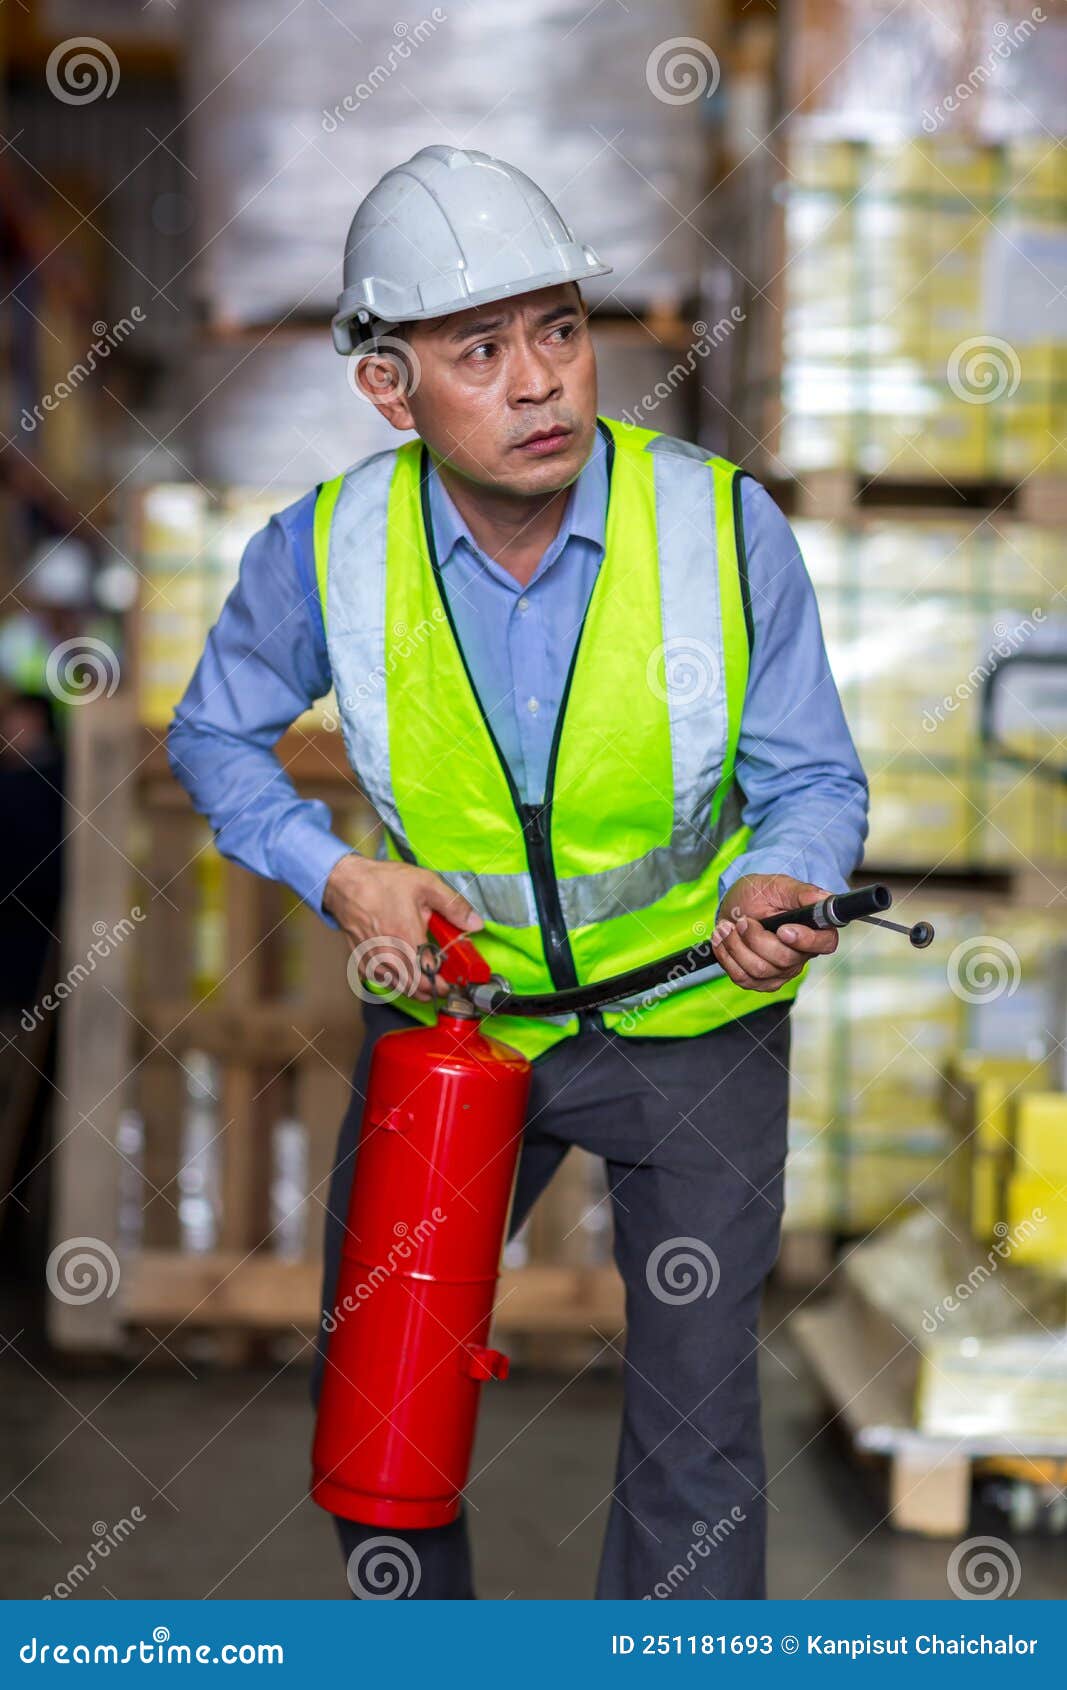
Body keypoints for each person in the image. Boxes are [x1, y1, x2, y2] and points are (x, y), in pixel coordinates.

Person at [169, 144, 868, 1600]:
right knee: (387, 1404)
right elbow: (213, 735)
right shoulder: (328, 552)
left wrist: (780, 878)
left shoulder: (720, 528)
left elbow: (812, 779)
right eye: (479, 351)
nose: (540, 381)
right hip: (458, 1017)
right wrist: (339, 876)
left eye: (559, 329)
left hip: (691, 1014)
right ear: (389, 386)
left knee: (696, 1432)